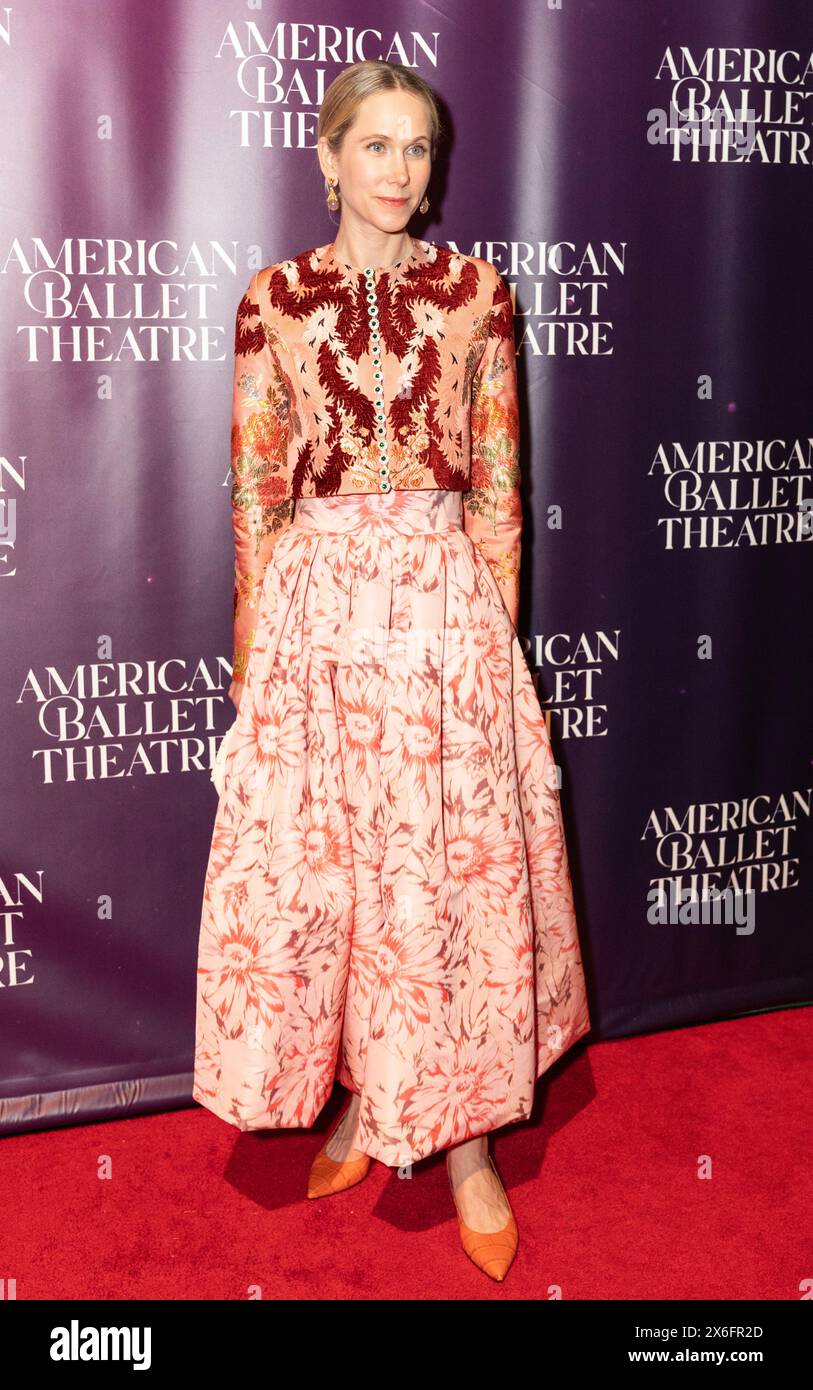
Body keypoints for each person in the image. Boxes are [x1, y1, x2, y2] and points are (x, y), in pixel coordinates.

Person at [193, 59, 591, 1283]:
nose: (399, 171)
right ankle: (366, 1105)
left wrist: (494, 660)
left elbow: (501, 494)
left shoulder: (481, 293)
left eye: (417, 149)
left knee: (448, 888)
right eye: (375, 145)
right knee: (346, 880)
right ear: (325, 157)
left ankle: (467, 1142)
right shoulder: (275, 302)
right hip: (318, 626)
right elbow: (260, 500)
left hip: (442, 621)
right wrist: (253, 681)